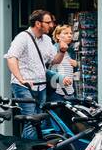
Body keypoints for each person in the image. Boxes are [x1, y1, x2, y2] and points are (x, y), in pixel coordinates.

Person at [5, 9, 58, 140]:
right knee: (30, 120)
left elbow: (54, 60)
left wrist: (62, 51)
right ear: (38, 23)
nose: (51, 25)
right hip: (24, 86)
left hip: (41, 86)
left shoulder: (46, 39)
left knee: (39, 121)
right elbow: (11, 58)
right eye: (48, 22)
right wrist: (21, 79)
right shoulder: (22, 38)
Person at [48, 24, 78, 101]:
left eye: (71, 33)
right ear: (58, 36)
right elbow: (49, 69)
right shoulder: (53, 49)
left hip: (69, 91)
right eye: (66, 33)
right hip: (56, 92)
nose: (69, 36)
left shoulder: (70, 51)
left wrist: (76, 65)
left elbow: (71, 71)